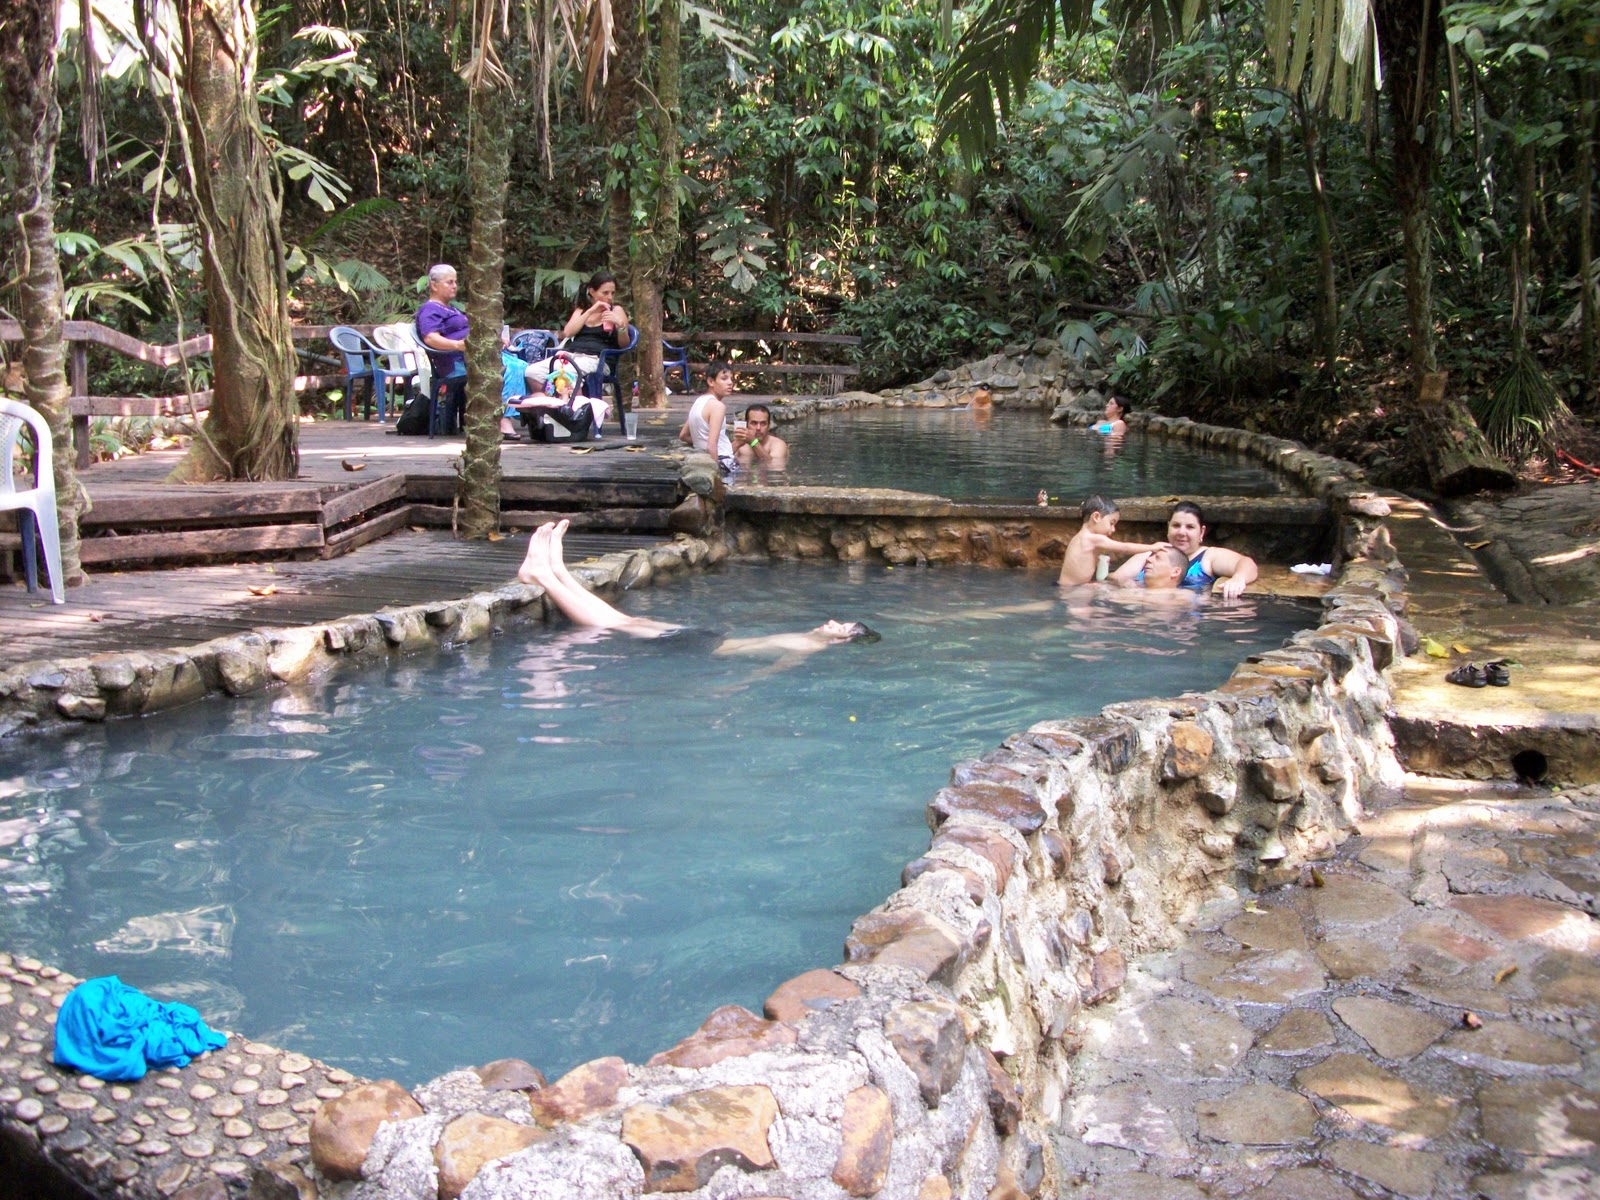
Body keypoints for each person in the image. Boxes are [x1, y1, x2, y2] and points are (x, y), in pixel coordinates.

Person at [517, 521, 878, 666]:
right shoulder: (806, 638)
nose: (832, 622)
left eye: (839, 627)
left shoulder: (807, 648)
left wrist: (729, 694)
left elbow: (769, 672)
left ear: (840, 642)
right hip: (711, 639)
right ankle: (556, 570)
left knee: (619, 624)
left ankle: (546, 576)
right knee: (629, 619)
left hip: (706, 647)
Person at [1111, 501, 1260, 598]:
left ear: (1201, 532)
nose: (1182, 532)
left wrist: (1238, 579)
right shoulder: (1149, 555)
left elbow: (1246, 563)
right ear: (1168, 528)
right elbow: (1113, 578)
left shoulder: (1208, 557)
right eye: (1176, 526)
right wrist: (1125, 582)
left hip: (1187, 618)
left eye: (1190, 527)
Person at [1057, 495, 1169, 586]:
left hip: (1066, 586)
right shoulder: (1093, 539)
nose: (1113, 529)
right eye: (1111, 523)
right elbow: (1124, 548)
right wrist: (1152, 547)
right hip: (1072, 590)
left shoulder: (1078, 538)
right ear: (1096, 517)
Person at [417, 263, 469, 433]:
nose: (454, 286)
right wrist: (458, 345)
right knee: (509, 368)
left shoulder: (451, 308)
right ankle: (502, 422)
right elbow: (430, 337)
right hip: (455, 364)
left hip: (470, 359)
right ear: (434, 285)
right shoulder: (430, 309)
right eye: (449, 282)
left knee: (521, 366)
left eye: (455, 282)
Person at [558, 270, 632, 363]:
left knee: (566, 373)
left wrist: (621, 326)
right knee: (535, 371)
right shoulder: (582, 311)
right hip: (572, 356)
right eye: (605, 293)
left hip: (597, 359)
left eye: (612, 293)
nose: (610, 297)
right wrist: (591, 311)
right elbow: (568, 333)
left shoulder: (616, 311)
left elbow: (625, 345)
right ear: (592, 292)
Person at [679, 361, 736, 471]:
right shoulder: (718, 406)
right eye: (724, 378)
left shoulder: (698, 402)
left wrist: (700, 442)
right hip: (723, 461)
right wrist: (716, 474)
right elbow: (711, 446)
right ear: (710, 381)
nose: (730, 383)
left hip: (704, 457)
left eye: (731, 379)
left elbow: (683, 435)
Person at [731, 403, 788, 468]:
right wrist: (737, 444)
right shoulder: (740, 446)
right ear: (746, 424)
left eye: (763, 424)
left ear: (769, 426)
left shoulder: (778, 444)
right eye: (754, 423)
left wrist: (753, 442)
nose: (758, 428)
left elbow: (774, 467)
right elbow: (720, 462)